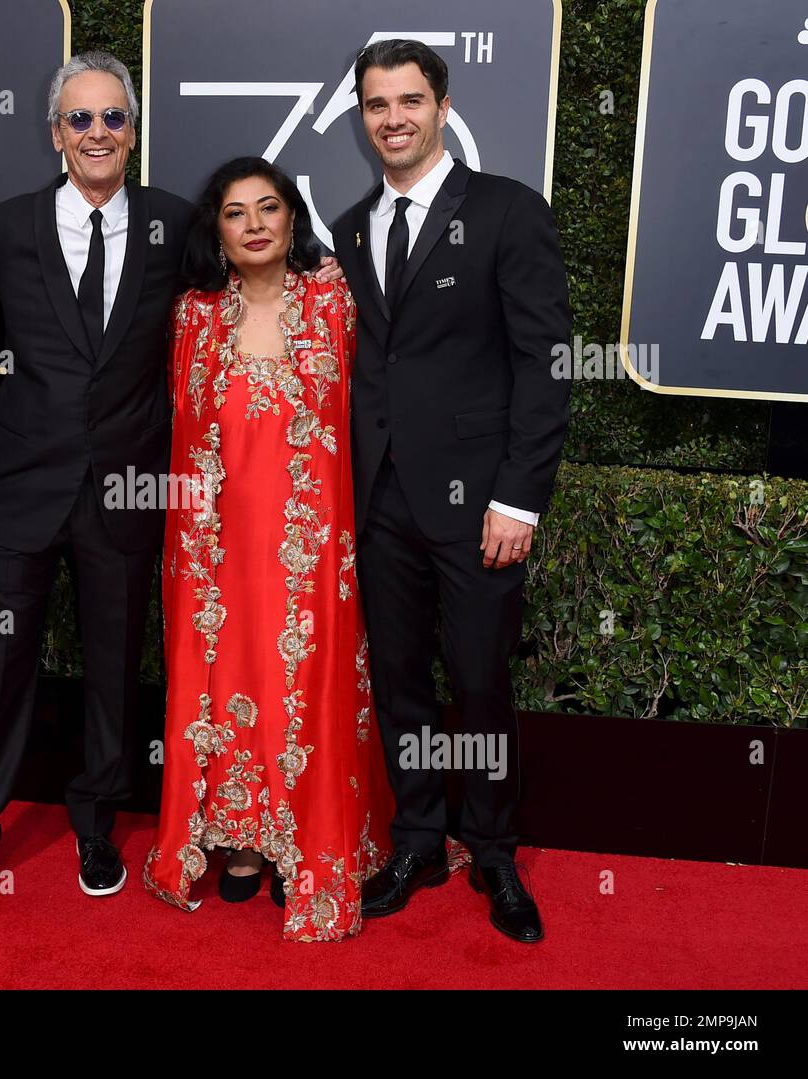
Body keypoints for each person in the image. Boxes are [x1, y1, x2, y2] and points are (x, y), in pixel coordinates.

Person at [0, 51, 349, 928]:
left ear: (133, 130)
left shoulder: (173, 228)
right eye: (79, 120)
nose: (97, 133)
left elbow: (243, 314)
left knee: (114, 668)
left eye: (112, 118)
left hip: (128, 492)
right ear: (55, 134)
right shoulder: (7, 225)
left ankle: (96, 825)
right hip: (20, 488)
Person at [331, 39, 572, 943]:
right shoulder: (351, 228)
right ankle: (418, 839)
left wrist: (520, 498)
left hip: (480, 507)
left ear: (440, 106)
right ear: (361, 117)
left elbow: (544, 366)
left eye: (409, 100)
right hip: (381, 501)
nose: (392, 117)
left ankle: (496, 850)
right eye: (376, 104)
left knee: (479, 683)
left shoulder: (507, 212)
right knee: (399, 682)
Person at [144, 158, 395, 942]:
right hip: (215, 548)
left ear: (293, 219)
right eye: (234, 212)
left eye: (269, 208)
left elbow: (375, 409)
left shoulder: (334, 300)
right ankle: (242, 841)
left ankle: (310, 846)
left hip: (310, 545)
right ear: (214, 230)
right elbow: (183, 434)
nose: (254, 223)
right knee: (227, 673)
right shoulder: (193, 313)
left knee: (306, 680)